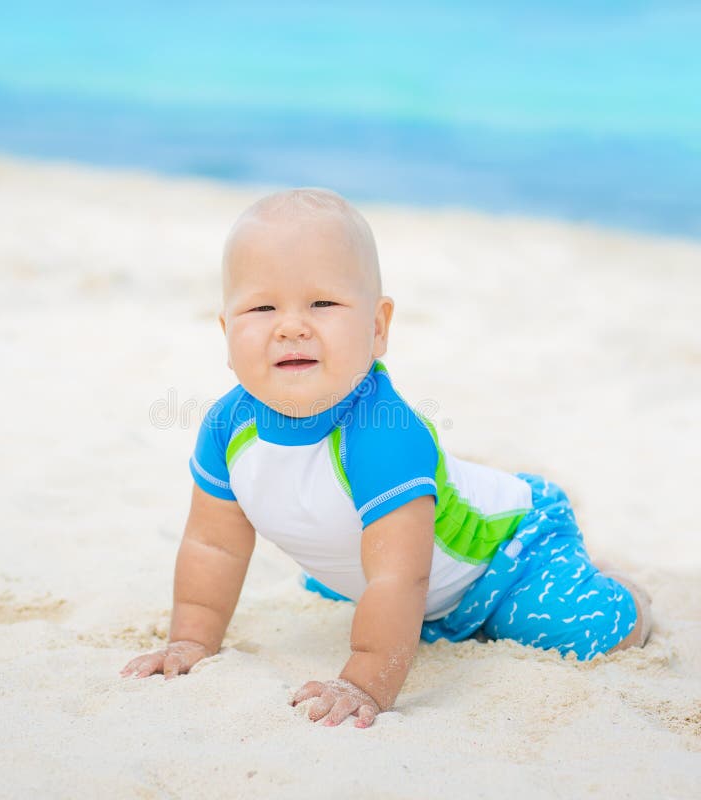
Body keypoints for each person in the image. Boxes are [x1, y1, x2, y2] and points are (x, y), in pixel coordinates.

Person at [120, 188, 652, 728]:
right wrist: (190, 640)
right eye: (262, 307)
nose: (291, 325)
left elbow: (401, 582)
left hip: (505, 558)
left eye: (322, 303)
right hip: (391, 578)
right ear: (227, 331)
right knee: (349, 577)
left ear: (377, 327)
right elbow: (213, 545)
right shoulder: (226, 427)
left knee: (591, 630)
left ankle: (624, 590)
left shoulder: (381, 434)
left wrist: (364, 683)